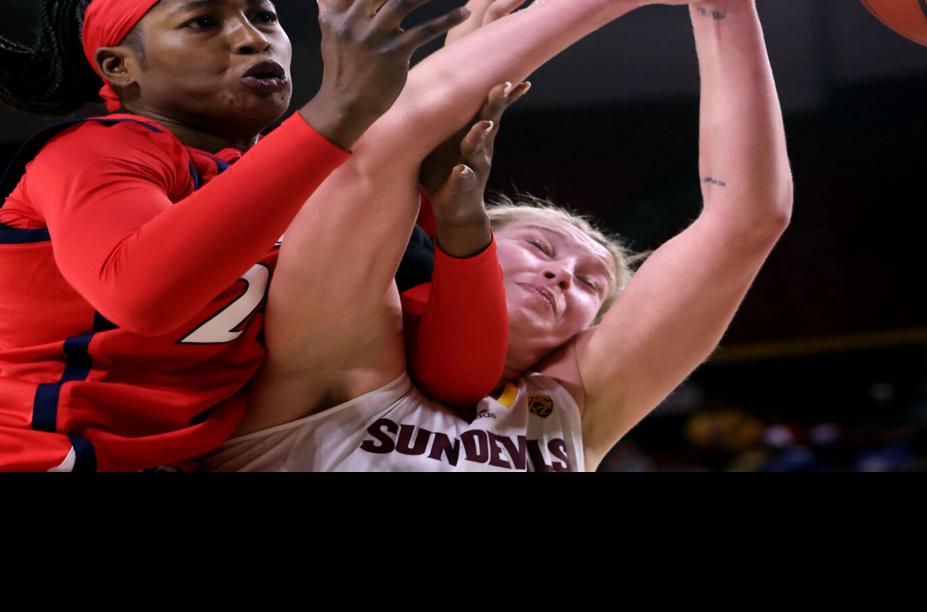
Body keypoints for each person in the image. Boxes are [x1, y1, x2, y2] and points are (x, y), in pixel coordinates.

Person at [205, 0, 792, 471]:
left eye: (591, 284)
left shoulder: (577, 405)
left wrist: (729, 8)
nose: (561, 273)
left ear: (589, 330)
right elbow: (375, 156)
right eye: (539, 247)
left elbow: (747, 220)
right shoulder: (342, 353)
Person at [0, 0, 475, 471]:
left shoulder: (317, 185)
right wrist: (338, 109)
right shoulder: (93, 151)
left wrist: (460, 226)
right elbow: (142, 297)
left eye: (264, 16)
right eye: (203, 22)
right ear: (119, 67)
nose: (252, 38)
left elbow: (456, 375)